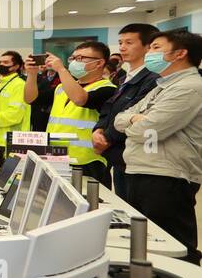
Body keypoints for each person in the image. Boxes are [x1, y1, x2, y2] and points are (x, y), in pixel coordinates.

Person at [114, 30, 202, 264]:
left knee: (174, 245)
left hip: (166, 175)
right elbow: (120, 117)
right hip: (142, 169)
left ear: (180, 53)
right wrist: (134, 119)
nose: (149, 53)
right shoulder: (162, 85)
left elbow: (150, 130)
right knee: (147, 243)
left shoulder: (190, 87)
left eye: (155, 48)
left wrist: (134, 121)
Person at [26, 40, 115, 187]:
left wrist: (61, 70)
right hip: (56, 158)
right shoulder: (62, 88)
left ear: (99, 63)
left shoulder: (108, 89)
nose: (75, 62)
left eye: (81, 58)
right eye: (73, 58)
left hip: (88, 161)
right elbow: (31, 98)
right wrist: (32, 75)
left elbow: (80, 99)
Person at [94, 25, 160, 198]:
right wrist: (99, 129)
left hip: (139, 158)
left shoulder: (154, 79)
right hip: (120, 157)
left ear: (149, 46)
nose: (122, 47)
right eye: (120, 42)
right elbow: (110, 107)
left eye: (129, 42)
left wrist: (107, 137)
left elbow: (137, 115)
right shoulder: (125, 78)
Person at [0, 50, 30, 166]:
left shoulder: (19, 85)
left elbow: (15, 114)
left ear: (16, 66)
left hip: (12, 140)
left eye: (5, 62)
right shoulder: (3, 83)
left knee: (10, 178)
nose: (1, 65)